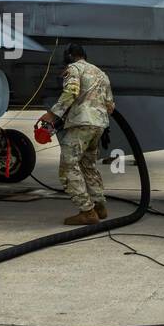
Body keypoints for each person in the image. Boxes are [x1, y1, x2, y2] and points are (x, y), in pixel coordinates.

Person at [40, 44, 115, 225]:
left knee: (67, 165)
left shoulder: (73, 69)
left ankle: (86, 211)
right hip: (99, 125)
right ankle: (99, 205)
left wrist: (52, 114)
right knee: (88, 164)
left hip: (82, 124)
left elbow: (71, 92)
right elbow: (110, 105)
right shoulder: (101, 73)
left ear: (69, 56)